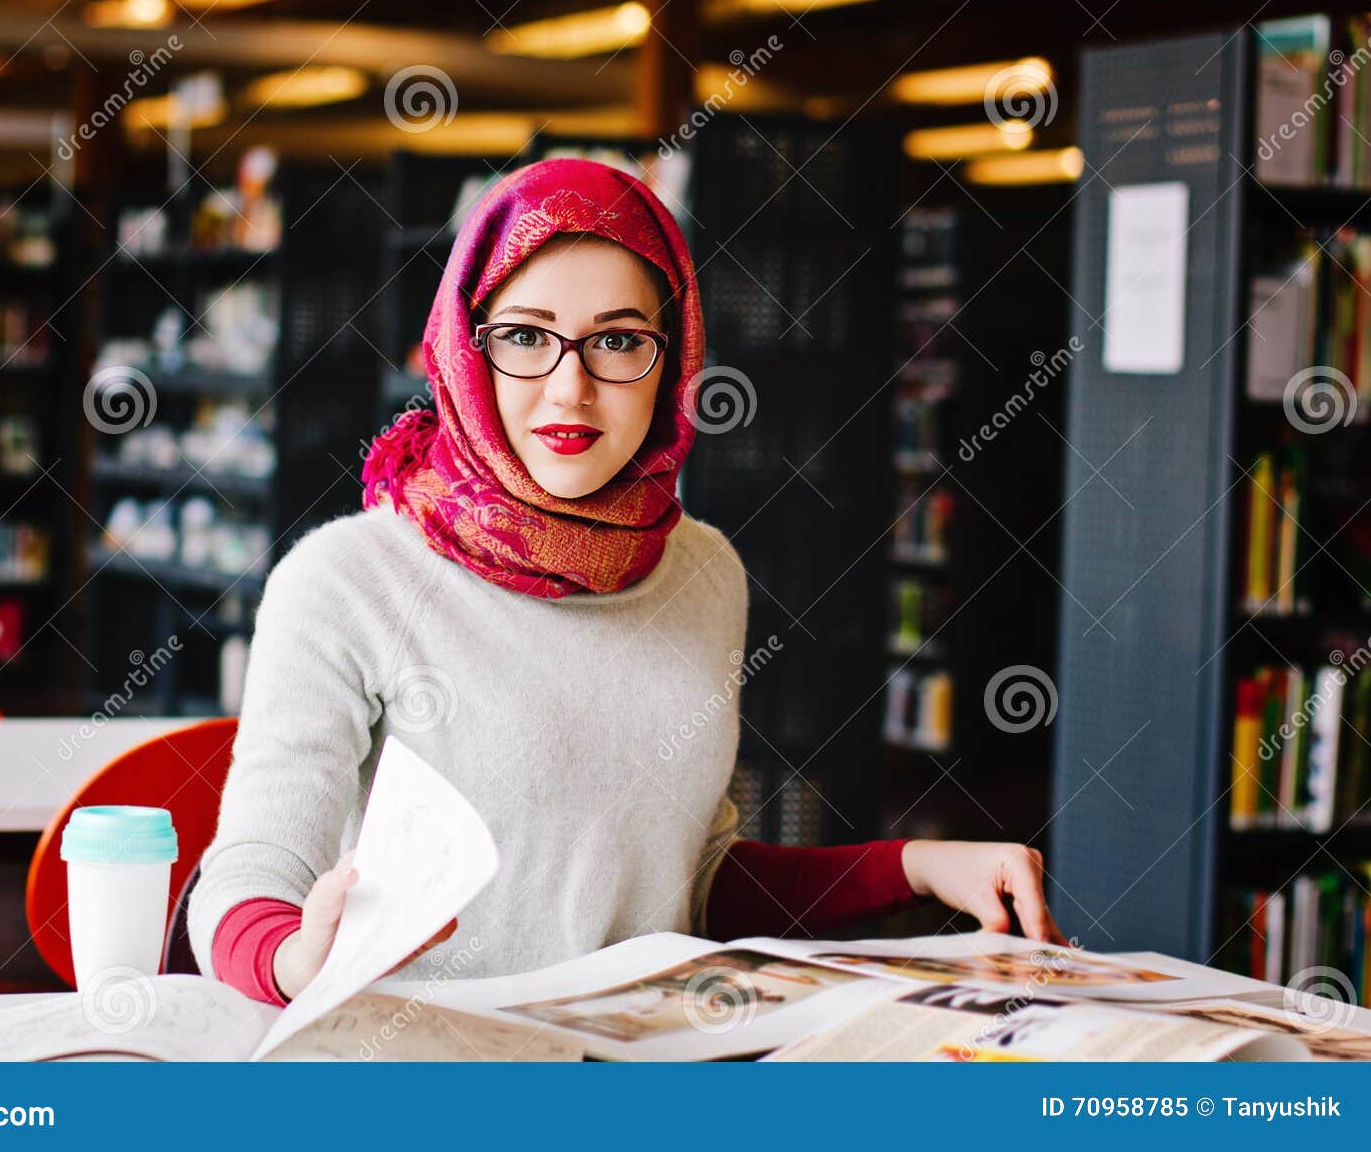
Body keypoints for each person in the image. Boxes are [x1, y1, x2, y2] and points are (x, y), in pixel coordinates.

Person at [187, 157, 1067, 1006]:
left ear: (674, 356)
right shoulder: (347, 581)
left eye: (617, 340)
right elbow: (243, 888)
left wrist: (912, 865)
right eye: (526, 337)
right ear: (463, 348)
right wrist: (302, 958)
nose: (570, 387)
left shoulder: (703, 570)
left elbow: (690, 878)